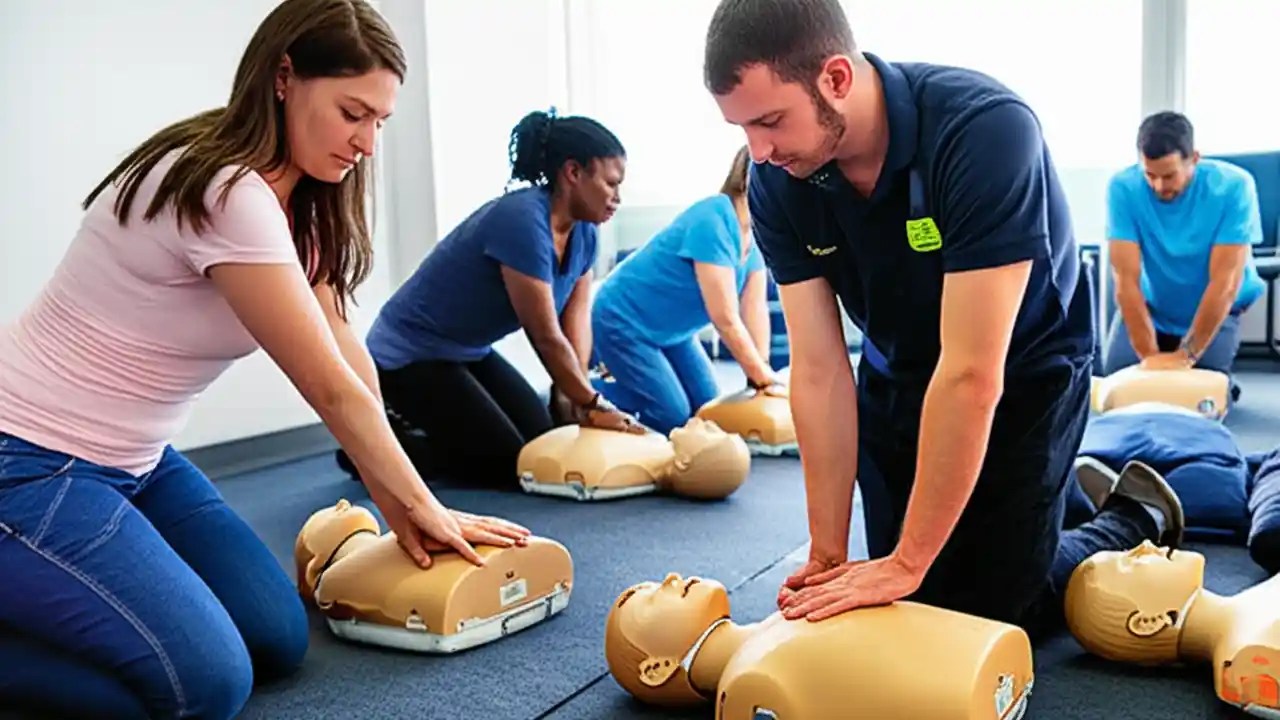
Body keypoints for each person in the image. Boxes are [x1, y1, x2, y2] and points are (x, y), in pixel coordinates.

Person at [0, 2, 528, 718]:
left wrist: (399, 494)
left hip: (138, 462)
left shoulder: (307, 204)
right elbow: (326, 392)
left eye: (380, 120)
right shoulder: (224, 188)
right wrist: (421, 505)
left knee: (275, 636)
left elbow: (351, 366)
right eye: (352, 113)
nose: (367, 142)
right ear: (285, 77)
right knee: (203, 685)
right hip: (29, 462)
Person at [701, 0, 1178, 638]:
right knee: (900, 601)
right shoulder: (777, 179)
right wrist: (828, 553)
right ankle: (1045, 505)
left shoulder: (983, 130)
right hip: (898, 365)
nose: (757, 152)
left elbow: (972, 372)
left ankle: (1131, 514)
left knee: (988, 614)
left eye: (770, 121)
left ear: (836, 80)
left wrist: (907, 561)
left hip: (1023, 365)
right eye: (741, 129)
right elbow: (816, 370)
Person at [358, 109, 644, 490]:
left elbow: (573, 324)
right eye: (611, 183)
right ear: (573, 173)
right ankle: (378, 448)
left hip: (468, 351)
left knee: (542, 445)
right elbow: (544, 333)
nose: (617, 198)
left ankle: (432, 429)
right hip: (409, 354)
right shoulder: (522, 220)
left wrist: (569, 398)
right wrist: (594, 404)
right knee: (509, 466)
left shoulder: (586, 234)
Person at [590, 145, 777, 435]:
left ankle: (624, 379)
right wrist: (763, 378)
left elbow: (755, 308)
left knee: (706, 409)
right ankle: (581, 393)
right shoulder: (714, 218)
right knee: (672, 414)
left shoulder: (754, 234)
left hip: (672, 331)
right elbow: (724, 317)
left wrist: (760, 375)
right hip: (624, 318)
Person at [1103, 111, 1266, 381]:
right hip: (1153, 304)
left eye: (1169, 176)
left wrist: (1186, 357)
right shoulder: (1122, 188)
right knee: (1122, 382)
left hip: (1215, 305)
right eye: (1150, 175)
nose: (1158, 186)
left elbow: (1224, 284)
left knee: (1198, 390)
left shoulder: (1235, 187)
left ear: (1195, 159)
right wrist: (1150, 360)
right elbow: (1125, 280)